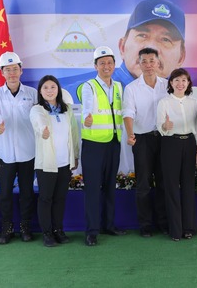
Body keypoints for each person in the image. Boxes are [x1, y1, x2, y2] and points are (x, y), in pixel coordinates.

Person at [0, 51, 38, 244]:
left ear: (21, 70)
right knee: (5, 193)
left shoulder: (32, 94)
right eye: (7, 70)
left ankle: (25, 227)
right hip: (4, 151)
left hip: (28, 151)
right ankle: (6, 228)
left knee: (27, 193)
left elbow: (40, 116)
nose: (12, 73)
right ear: (2, 72)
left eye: (15, 69)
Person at [79, 46, 127, 246]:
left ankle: (109, 224)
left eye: (109, 62)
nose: (106, 66)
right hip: (93, 144)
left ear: (115, 65)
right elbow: (87, 107)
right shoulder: (88, 86)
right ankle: (92, 230)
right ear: (95, 66)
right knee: (92, 188)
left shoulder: (118, 87)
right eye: (102, 63)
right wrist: (86, 119)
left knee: (109, 186)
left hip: (113, 143)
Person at [124, 47, 169, 237]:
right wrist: (130, 134)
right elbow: (128, 113)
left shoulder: (168, 85)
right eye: (145, 61)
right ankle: (145, 225)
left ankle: (163, 222)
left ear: (158, 62)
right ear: (139, 64)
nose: (149, 65)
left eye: (152, 61)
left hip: (165, 139)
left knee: (163, 182)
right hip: (141, 139)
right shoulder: (131, 88)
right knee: (143, 184)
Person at [31, 75, 79, 247]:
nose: (49, 91)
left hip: (64, 162)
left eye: (53, 87)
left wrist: (75, 155)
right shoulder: (37, 110)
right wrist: (43, 130)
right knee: (46, 198)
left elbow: (73, 133)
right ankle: (47, 233)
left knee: (60, 198)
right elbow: (39, 122)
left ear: (58, 89)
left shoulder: (67, 110)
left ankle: (58, 230)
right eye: (45, 88)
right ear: (40, 91)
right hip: (47, 164)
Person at [156, 68, 197, 241]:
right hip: (170, 144)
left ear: (188, 83)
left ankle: (188, 227)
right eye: (176, 80)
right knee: (171, 187)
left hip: (189, 143)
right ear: (171, 83)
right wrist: (165, 127)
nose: (180, 83)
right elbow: (160, 126)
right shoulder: (164, 102)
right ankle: (175, 229)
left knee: (188, 186)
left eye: (184, 80)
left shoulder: (193, 102)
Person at [115, 0, 186, 86]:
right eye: (142, 35)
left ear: (180, 58)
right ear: (122, 47)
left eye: (166, 39)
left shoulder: (184, 97)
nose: (151, 47)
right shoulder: (95, 91)